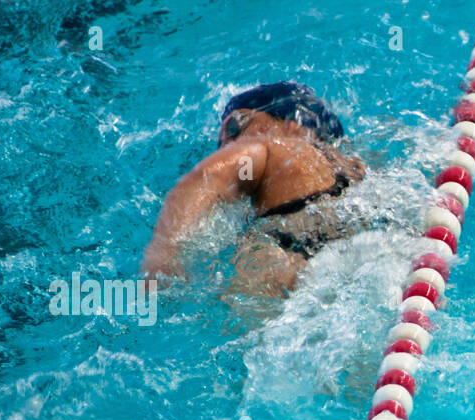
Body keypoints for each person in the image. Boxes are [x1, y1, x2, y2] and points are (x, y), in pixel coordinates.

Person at [141, 81, 366, 295]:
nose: (227, 143)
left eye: (235, 125)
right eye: (220, 144)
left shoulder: (274, 148)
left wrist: (163, 250)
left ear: (292, 125)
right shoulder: (356, 168)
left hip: (291, 266)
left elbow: (207, 178)